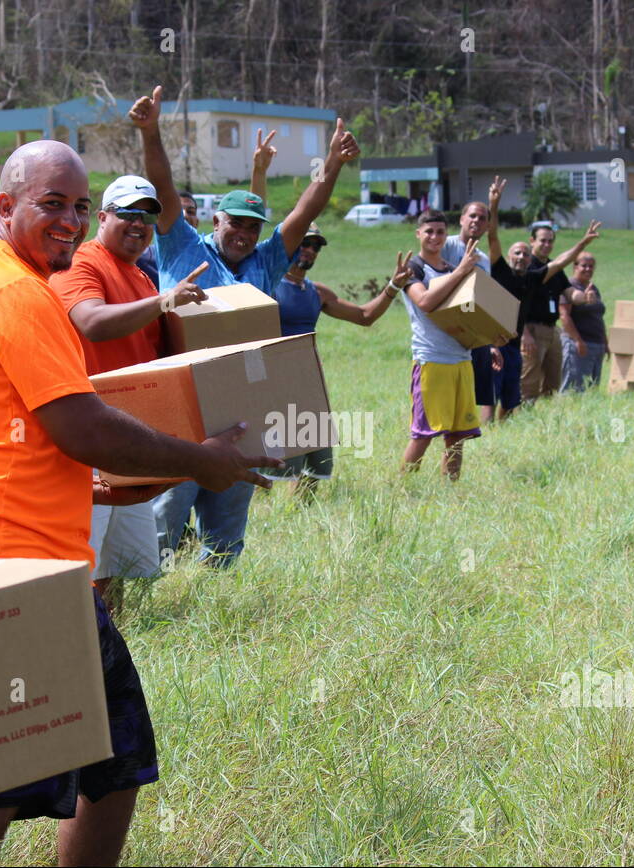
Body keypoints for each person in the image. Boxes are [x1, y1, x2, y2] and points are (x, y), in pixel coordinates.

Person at [0, 139, 278, 866]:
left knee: (114, 762)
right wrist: (200, 461)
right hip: (9, 569)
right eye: (52, 203)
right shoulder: (15, 293)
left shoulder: (12, 281)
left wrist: (143, 471)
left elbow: (51, 439)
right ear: (5, 205)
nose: (70, 219)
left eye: (80, 206)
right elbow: (82, 426)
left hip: (34, 564)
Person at [134, 85, 359, 566]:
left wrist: (334, 164)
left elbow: (306, 212)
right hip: (183, 406)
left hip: (241, 410)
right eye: (235, 223)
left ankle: (219, 598)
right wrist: (151, 133)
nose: (243, 233)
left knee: (230, 516)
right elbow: (164, 188)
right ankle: (153, 596)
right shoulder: (182, 247)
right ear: (216, 219)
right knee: (168, 512)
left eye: (253, 226)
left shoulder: (267, 260)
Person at [48, 174, 212, 615]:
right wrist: (163, 303)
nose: (139, 223)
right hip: (92, 433)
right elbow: (92, 322)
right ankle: (88, 640)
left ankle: (113, 636)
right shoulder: (82, 262)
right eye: (128, 214)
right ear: (102, 217)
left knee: (117, 563)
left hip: (131, 436)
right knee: (86, 556)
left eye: (147, 216)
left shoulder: (141, 276)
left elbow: (157, 356)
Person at [267, 226, 412, 495]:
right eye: (305, 243)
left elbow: (364, 316)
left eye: (316, 247)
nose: (310, 250)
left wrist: (394, 285)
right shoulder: (267, 285)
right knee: (272, 462)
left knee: (317, 462)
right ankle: (260, 516)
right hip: (274, 384)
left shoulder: (317, 292)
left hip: (310, 383)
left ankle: (300, 515)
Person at [400, 210, 503, 479]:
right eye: (429, 231)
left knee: (458, 435)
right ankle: (402, 488)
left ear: (447, 236)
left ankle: (451, 491)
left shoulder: (450, 268)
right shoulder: (413, 269)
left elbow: (472, 316)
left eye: (440, 232)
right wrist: (462, 271)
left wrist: (493, 337)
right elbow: (425, 302)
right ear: (418, 234)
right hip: (432, 360)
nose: (435, 237)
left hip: (462, 360)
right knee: (424, 433)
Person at [507, 219, 602, 402]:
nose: (547, 245)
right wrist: (524, 333)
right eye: (542, 240)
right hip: (530, 330)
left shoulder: (556, 270)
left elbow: (569, 292)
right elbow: (514, 303)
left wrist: (584, 298)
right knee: (528, 384)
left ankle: (545, 424)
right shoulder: (527, 266)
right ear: (532, 241)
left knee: (552, 384)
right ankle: (521, 420)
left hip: (551, 331)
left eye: (550, 241)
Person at [440, 187, 505, 424]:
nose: (477, 221)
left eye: (483, 218)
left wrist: (489, 342)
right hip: (446, 330)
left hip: (473, 332)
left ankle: (480, 429)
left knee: (479, 384)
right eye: (472, 216)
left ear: (488, 225)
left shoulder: (484, 259)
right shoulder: (445, 245)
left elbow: (482, 301)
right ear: (461, 219)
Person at [558, 252, 608, 391]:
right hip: (578, 345)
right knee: (573, 388)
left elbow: (598, 317)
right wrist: (578, 341)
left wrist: (605, 342)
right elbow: (564, 316)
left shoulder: (593, 289)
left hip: (596, 345)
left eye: (591, 266)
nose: (588, 269)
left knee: (591, 390)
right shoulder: (569, 287)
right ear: (575, 266)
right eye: (584, 265)